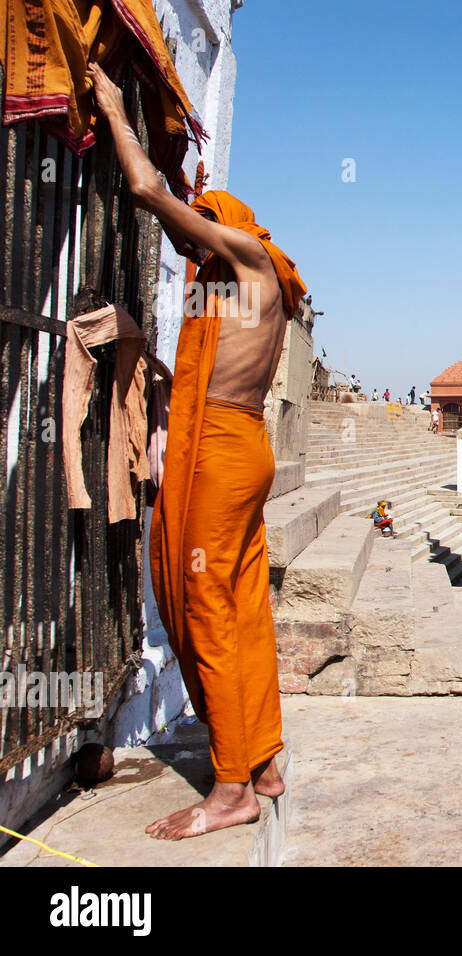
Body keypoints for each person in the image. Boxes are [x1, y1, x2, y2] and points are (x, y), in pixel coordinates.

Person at [89, 63, 304, 840]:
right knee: (243, 607)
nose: (192, 251)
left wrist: (115, 108)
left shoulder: (244, 256)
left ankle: (232, 786)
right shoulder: (247, 275)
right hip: (240, 443)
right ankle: (264, 759)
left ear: (228, 227)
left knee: (200, 602)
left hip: (218, 444)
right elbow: (184, 209)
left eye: (201, 231)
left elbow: (150, 194)